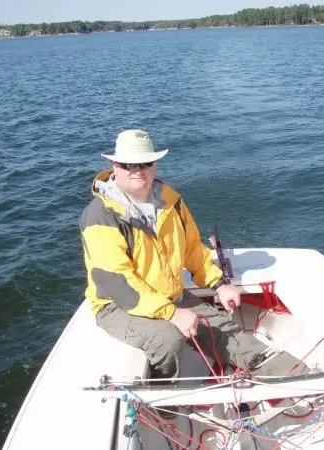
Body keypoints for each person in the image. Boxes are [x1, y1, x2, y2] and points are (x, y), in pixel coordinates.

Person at [80, 129, 308, 383]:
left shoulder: (171, 201)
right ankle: (168, 400)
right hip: (118, 305)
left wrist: (219, 284)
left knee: (226, 330)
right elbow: (116, 282)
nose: (137, 170)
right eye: (127, 164)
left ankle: (299, 375)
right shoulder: (100, 216)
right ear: (115, 165)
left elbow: (192, 249)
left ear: (154, 164)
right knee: (168, 339)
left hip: (170, 295)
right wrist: (170, 313)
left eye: (145, 162)